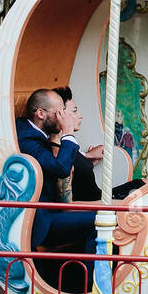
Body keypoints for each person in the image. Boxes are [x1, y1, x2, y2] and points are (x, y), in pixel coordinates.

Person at [16, 89, 96, 255]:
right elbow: (60, 169)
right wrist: (67, 133)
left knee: (106, 215)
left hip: (51, 211)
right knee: (101, 222)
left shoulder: (36, 133)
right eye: (59, 113)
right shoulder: (27, 138)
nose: (63, 117)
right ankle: (90, 280)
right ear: (40, 113)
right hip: (40, 221)